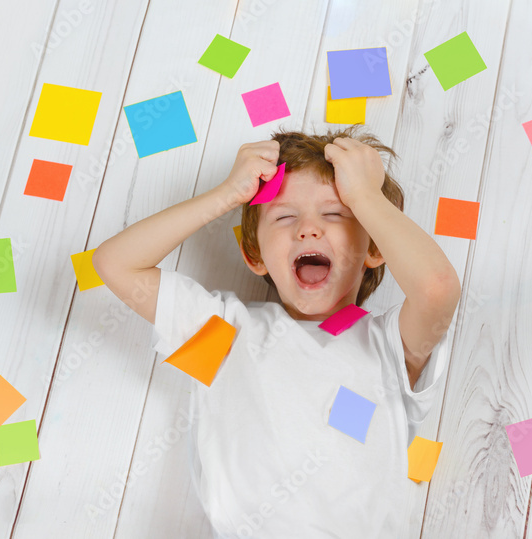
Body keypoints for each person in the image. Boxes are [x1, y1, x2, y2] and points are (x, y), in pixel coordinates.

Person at [92, 125, 461, 537]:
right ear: (255, 255)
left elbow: (437, 289)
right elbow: (116, 264)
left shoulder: (389, 346)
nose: (307, 229)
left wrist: (366, 196)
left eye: (336, 213)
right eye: (285, 216)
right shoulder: (226, 333)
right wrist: (227, 194)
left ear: (376, 248)